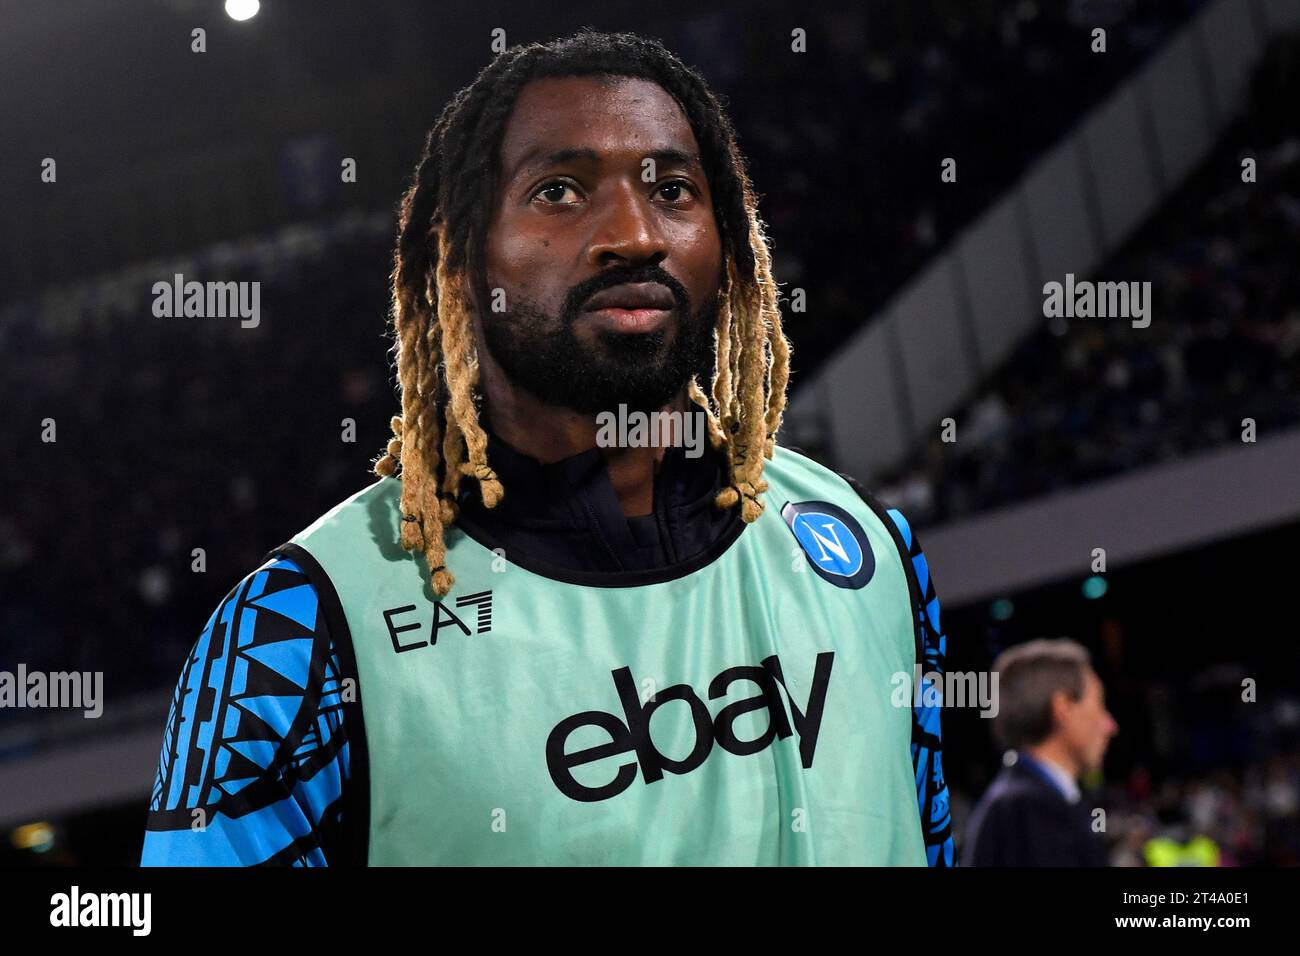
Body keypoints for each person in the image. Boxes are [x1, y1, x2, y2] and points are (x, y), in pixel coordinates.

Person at [140, 29, 955, 866]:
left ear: (733, 243)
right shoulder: (298, 632)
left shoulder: (868, 551)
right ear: (457, 257)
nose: (635, 234)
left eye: (673, 188)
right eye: (560, 192)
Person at [965, 638, 1119, 866]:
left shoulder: (1027, 803)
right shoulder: (1028, 811)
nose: (1110, 725)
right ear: (1063, 708)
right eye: (1099, 705)